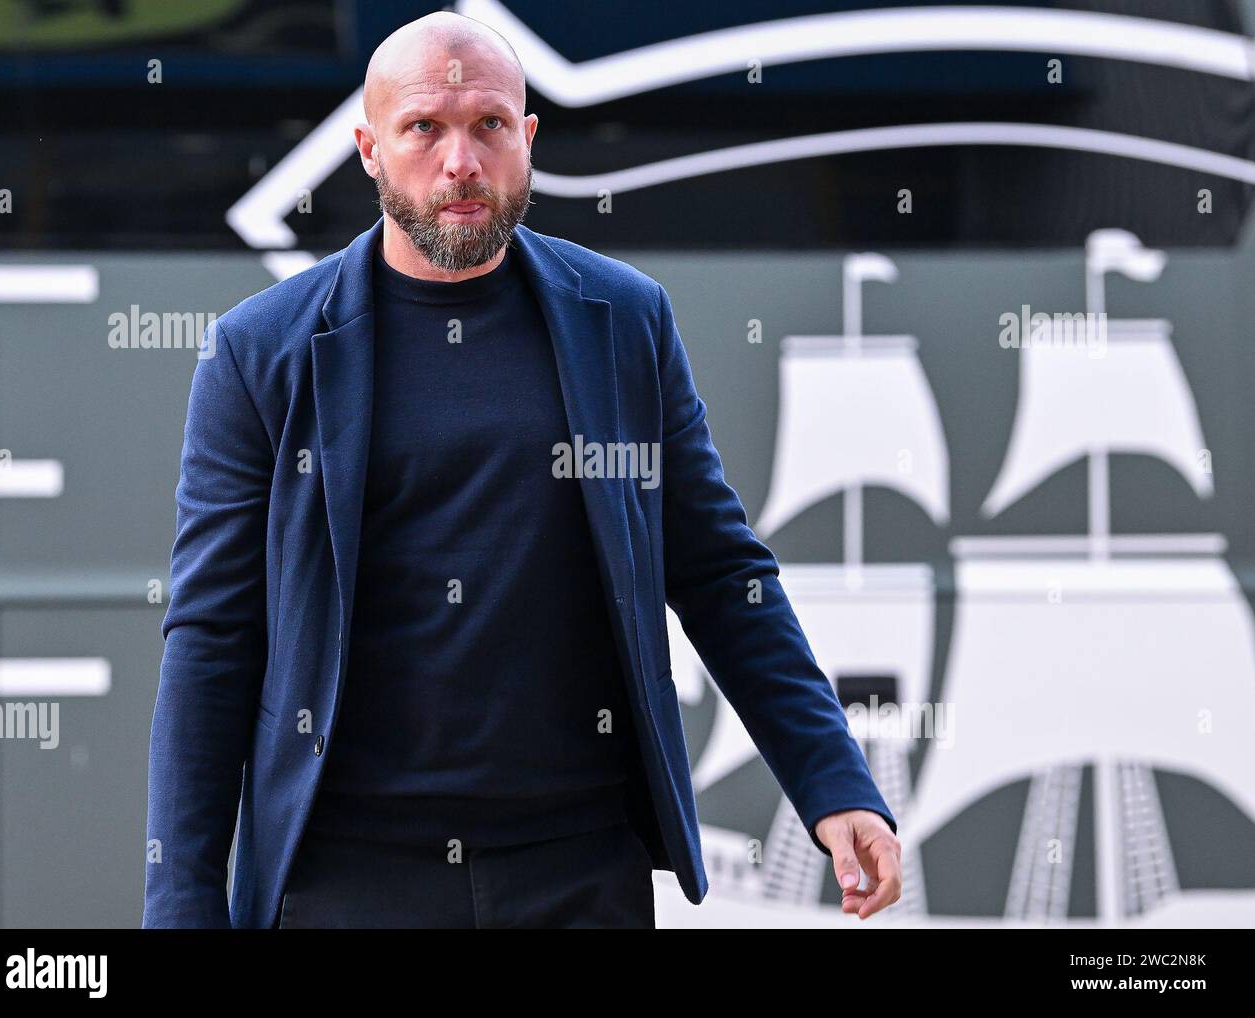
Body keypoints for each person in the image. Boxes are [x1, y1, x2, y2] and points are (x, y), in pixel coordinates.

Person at [142, 10, 900, 929]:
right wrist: (181, 904)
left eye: (489, 125)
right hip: (344, 877)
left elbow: (718, 572)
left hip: (577, 867)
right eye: (424, 127)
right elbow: (213, 639)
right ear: (369, 149)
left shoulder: (621, 321)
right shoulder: (262, 353)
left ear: (527, 139)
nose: (460, 161)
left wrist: (833, 782)